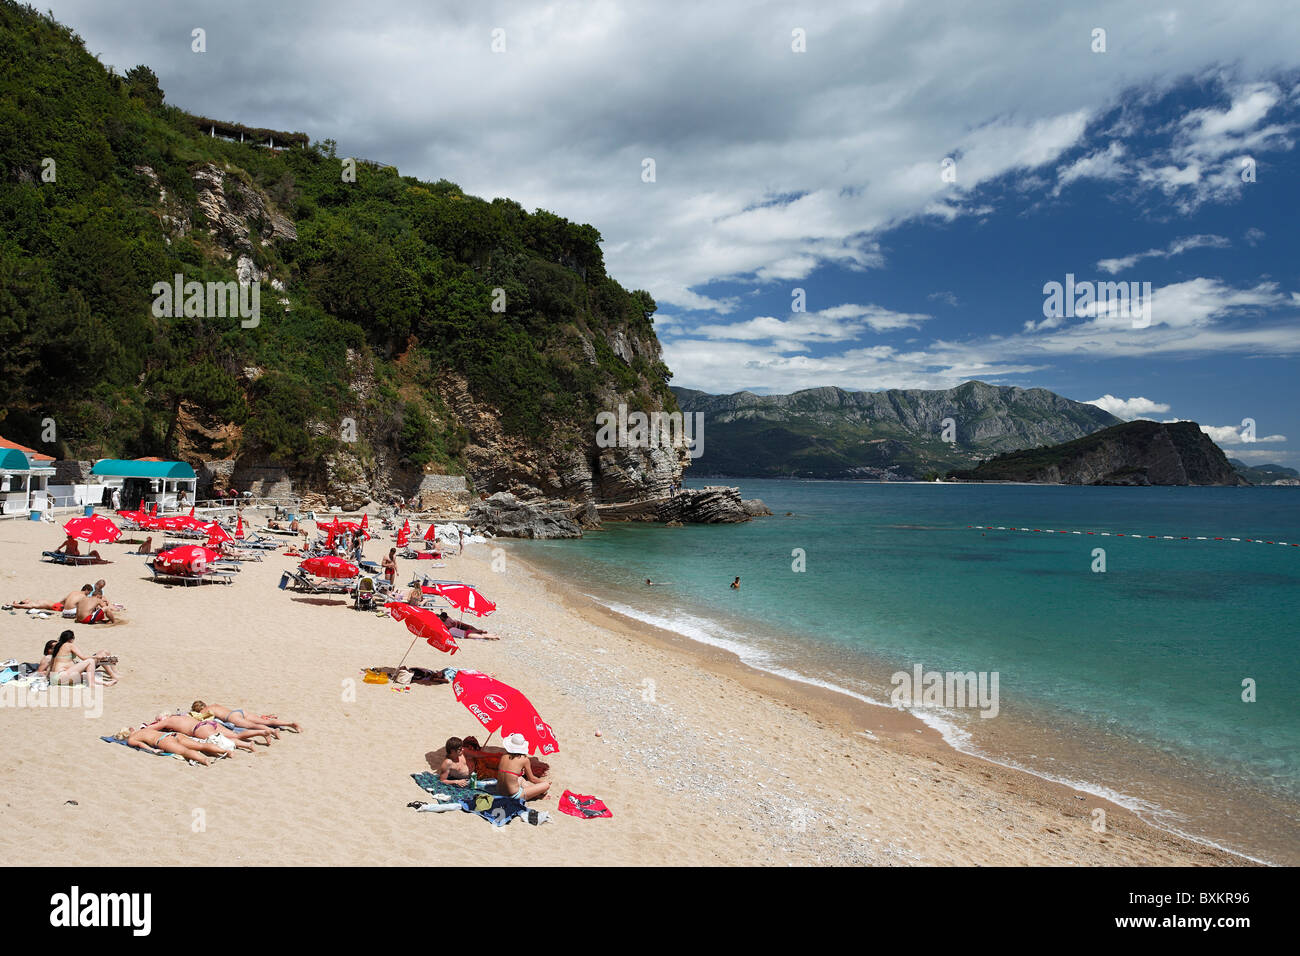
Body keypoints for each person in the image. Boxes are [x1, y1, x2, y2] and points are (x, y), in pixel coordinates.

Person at [112, 727, 230, 765]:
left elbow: (140, 745)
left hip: (162, 741)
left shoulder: (131, 739)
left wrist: (153, 750)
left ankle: (204, 760)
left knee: (185, 751)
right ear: (131, 729)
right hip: (173, 734)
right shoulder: (145, 729)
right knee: (200, 745)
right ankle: (226, 751)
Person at [41, 630, 115, 686]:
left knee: (105, 652)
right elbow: (83, 658)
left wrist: (47, 677)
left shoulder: (58, 647)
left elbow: (51, 664)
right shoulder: (69, 645)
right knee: (97, 657)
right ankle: (112, 674)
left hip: (56, 677)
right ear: (71, 639)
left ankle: (108, 680)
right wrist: (96, 656)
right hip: (68, 672)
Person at [496, 732, 550, 802]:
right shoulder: (524, 759)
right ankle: (536, 795)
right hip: (513, 796)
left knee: (520, 779)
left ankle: (535, 794)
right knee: (546, 785)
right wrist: (544, 782)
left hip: (499, 791)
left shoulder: (504, 756)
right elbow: (532, 779)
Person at [192, 701, 302, 734]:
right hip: (239, 711)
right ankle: (290, 724)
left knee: (254, 726)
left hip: (231, 717)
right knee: (264, 721)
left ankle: (272, 731)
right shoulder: (215, 705)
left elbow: (200, 719)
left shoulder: (204, 711)